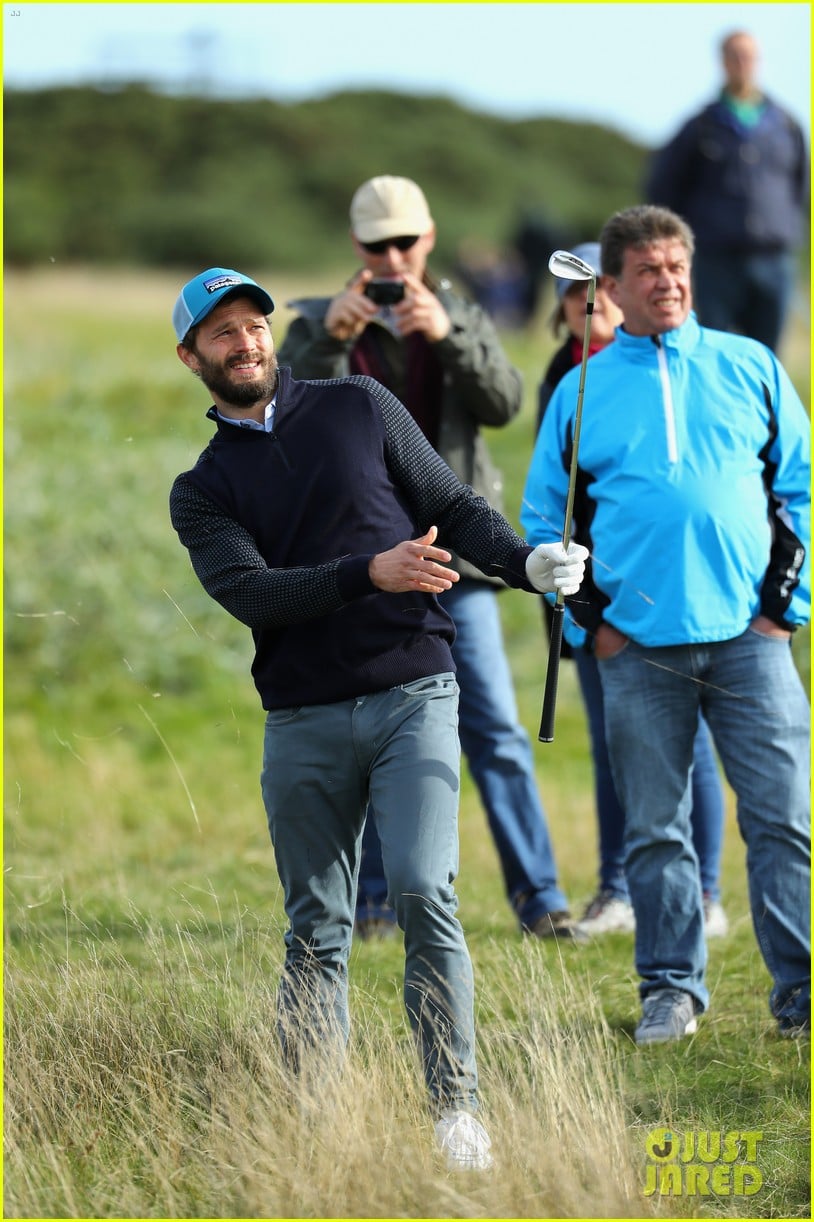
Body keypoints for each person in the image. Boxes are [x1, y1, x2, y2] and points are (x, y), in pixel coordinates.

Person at [168, 265, 588, 1165]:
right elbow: (253, 593)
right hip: (303, 715)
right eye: (222, 334)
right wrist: (370, 570)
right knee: (315, 927)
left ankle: (456, 1109)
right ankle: (314, 1121)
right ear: (191, 357)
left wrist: (525, 564)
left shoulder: (360, 403)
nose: (245, 343)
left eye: (254, 326)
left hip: (413, 689)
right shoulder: (200, 489)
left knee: (423, 891)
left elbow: (452, 506)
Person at [522, 206, 810, 1045]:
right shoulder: (580, 389)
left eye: (677, 266)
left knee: (782, 821)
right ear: (609, 287)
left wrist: (780, 611)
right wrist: (592, 629)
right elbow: (548, 522)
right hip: (636, 650)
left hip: (750, 641)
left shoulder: (750, 364)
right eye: (648, 270)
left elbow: (800, 489)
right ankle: (671, 993)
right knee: (656, 832)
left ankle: (800, 998)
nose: (668, 281)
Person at [279, 174, 583, 942]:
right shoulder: (319, 321)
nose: (391, 259)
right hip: (366, 561)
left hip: (462, 556)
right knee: (376, 729)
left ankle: (539, 897)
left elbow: (505, 403)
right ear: (355, 246)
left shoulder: (461, 309)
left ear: (429, 239)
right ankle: (377, 902)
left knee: (495, 733)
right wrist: (329, 340)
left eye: (403, 242)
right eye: (376, 245)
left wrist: (447, 334)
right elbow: (284, 427)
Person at [535, 242, 728, 940]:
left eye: (601, 293)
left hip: (670, 597)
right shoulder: (566, 376)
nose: (590, 308)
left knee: (690, 745)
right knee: (615, 744)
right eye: (574, 296)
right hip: (595, 603)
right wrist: (573, 606)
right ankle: (618, 890)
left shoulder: (664, 372)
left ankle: (704, 897)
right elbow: (552, 502)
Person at [645, 30, 808, 353]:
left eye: (748, 56)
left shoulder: (787, 125)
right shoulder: (700, 126)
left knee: (767, 357)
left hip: (773, 259)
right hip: (715, 259)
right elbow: (663, 187)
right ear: (723, 62)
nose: (742, 63)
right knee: (713, 350)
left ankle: (761, 407)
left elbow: (799, 186)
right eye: (734, 56)